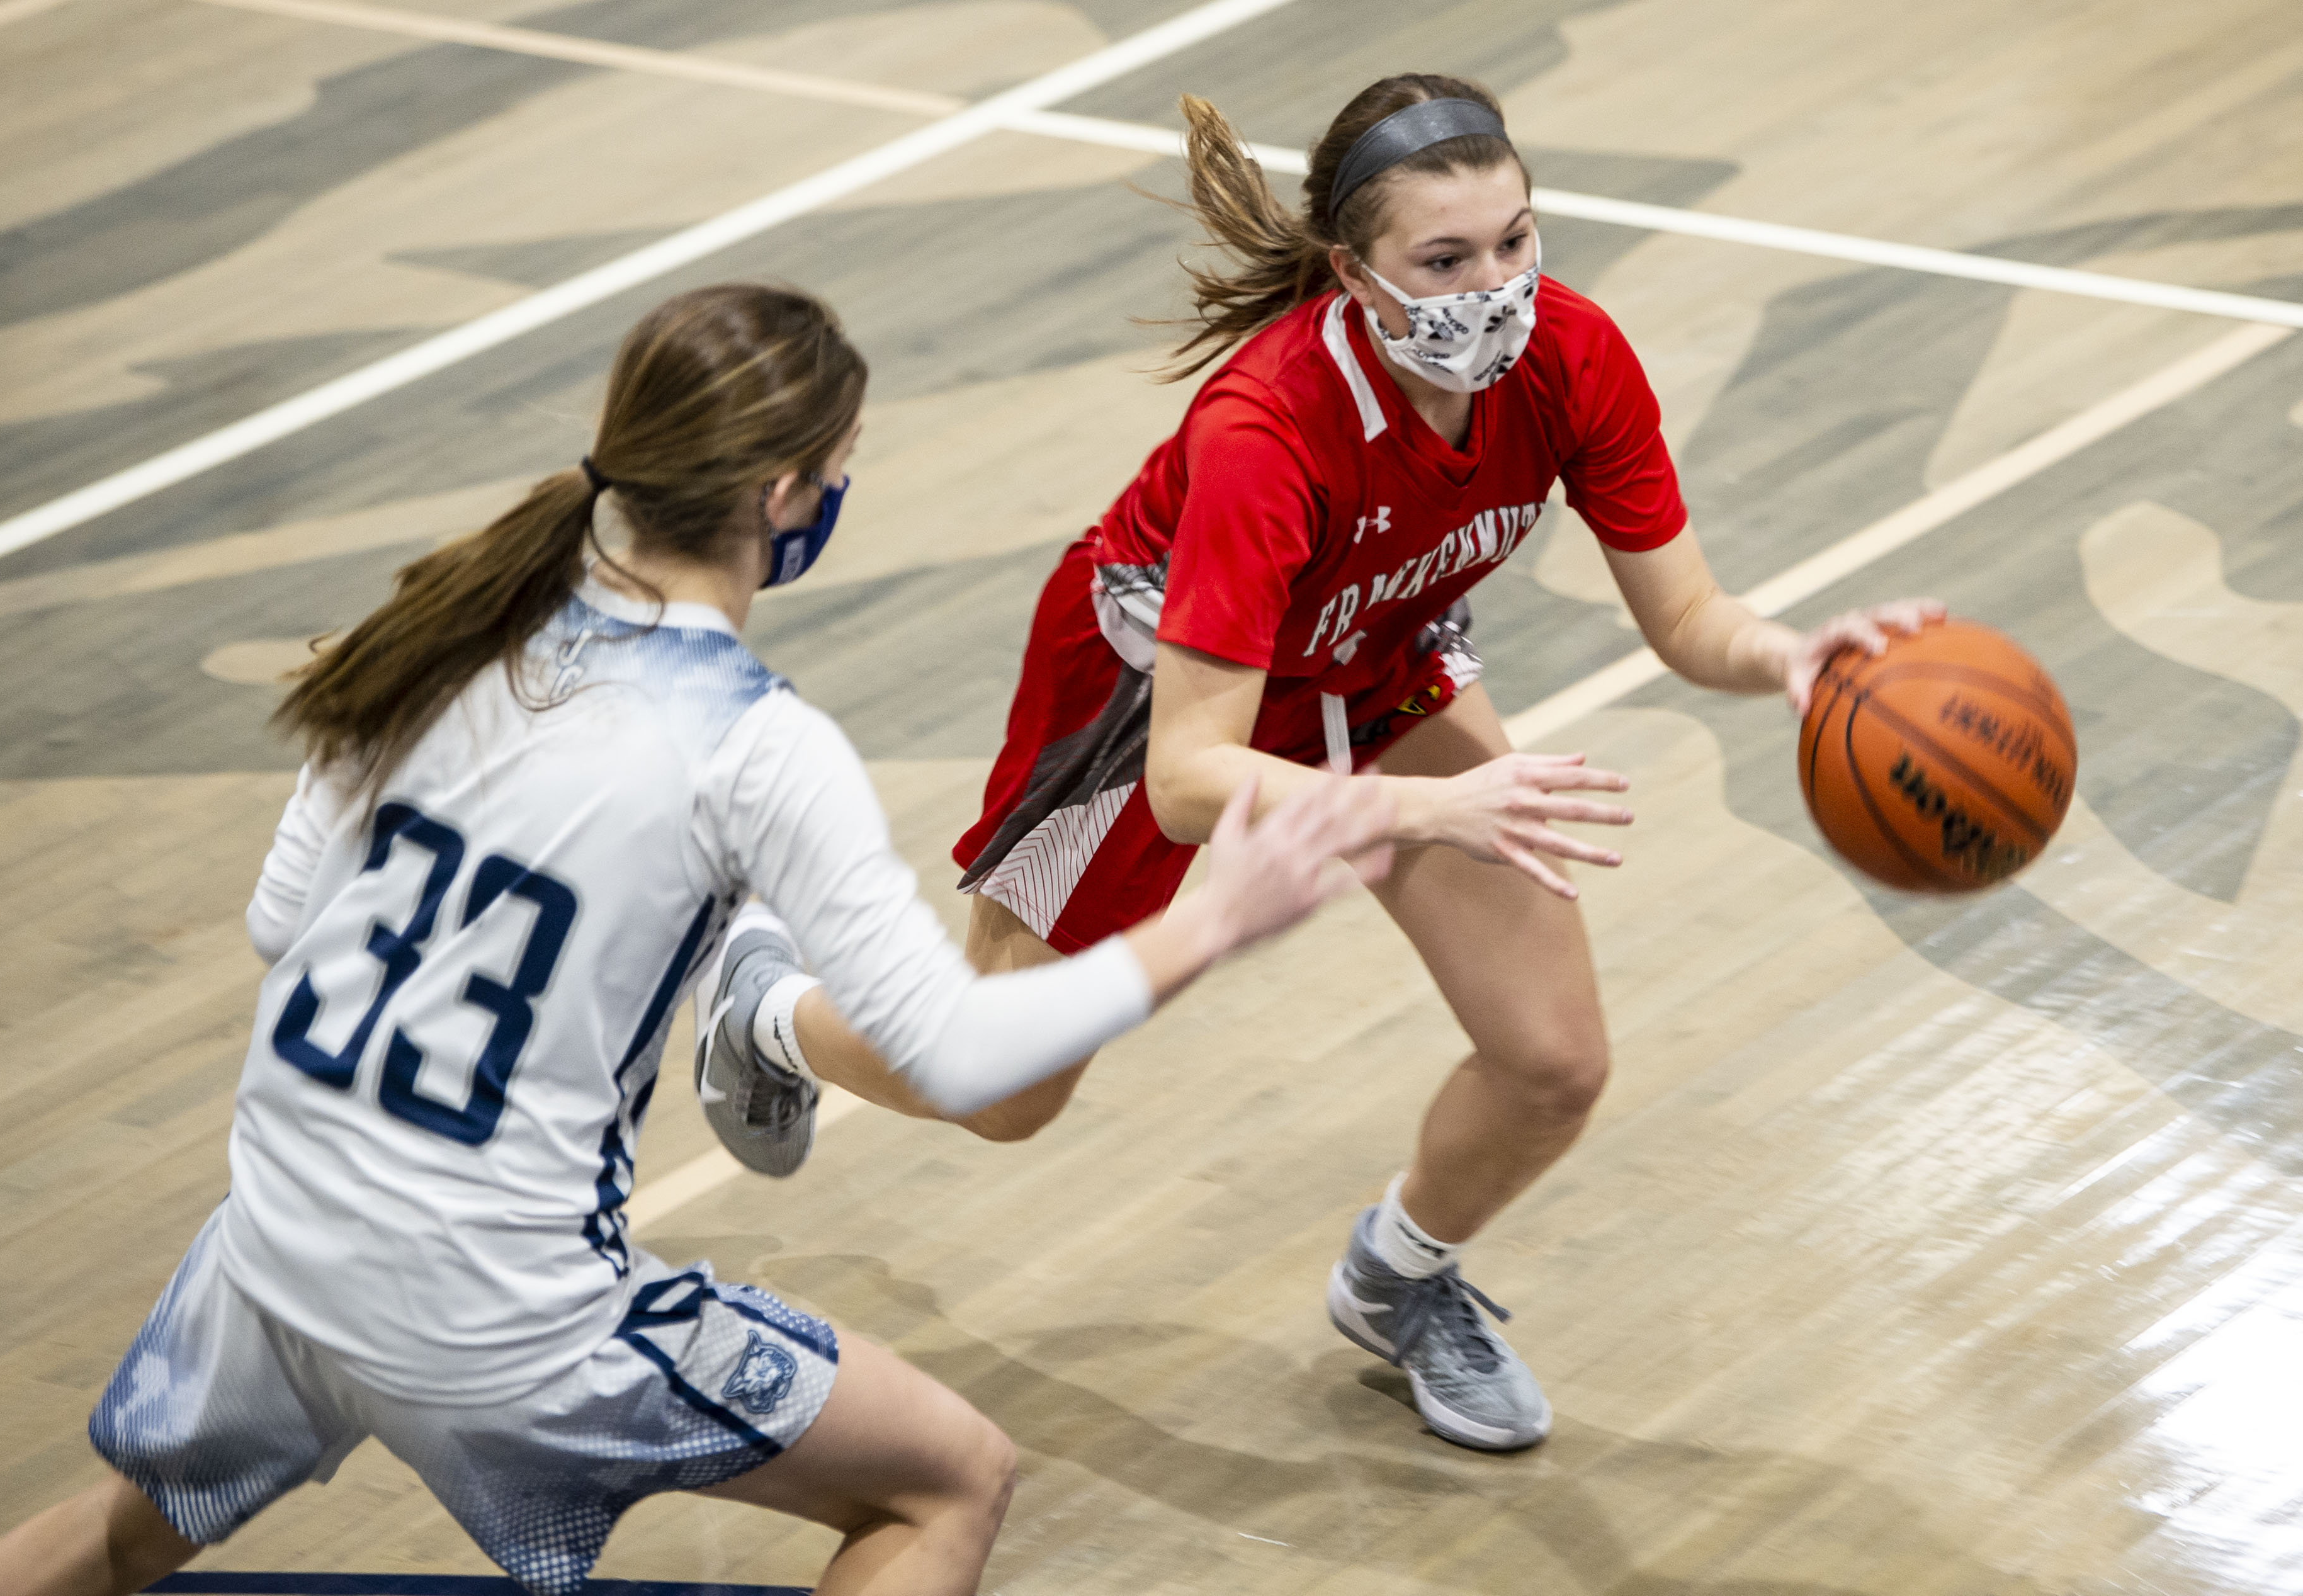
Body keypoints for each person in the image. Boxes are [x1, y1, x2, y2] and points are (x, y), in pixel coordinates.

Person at [0, 285, 1395, 1596]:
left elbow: (283, 922)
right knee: (950, 1479)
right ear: (783, 494)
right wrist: (1211, 917)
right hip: (500, 1315)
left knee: (128, 1524)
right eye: (837, 467)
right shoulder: (753, 741)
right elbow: (956, 1054)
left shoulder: (437, 626)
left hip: (275, 1235)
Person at [696, 78, 1942, 1454]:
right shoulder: (1267, 429)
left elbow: (1689, 616)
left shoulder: (1570, 357)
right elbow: (1188, 773)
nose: (1499, 286)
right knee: (1001, 1089)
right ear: (1352, 274)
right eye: (1446, 260)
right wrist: (1430, 803)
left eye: (1516, 241)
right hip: (1145, 694)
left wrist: (1785, 659)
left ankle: (1397, 1281)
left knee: (1550, 1061)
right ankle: (767, 1008)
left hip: (1373, 653)